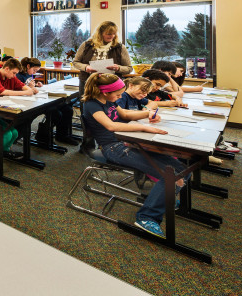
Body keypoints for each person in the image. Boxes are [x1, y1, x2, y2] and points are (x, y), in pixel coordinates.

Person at [81, 73, 188, 238]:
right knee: (170, 176)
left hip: (128, 141)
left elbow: (124, 114)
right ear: (104, 92)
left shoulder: (109, 101)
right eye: (117, 94)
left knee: (181, 169)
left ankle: (162, 198)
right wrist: (144, 128)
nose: (119, 97)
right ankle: (146, 217)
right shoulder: (91, 105)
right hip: (113, 147)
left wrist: (147, 114)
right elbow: (110, 126)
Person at [72, 21, 132, 152]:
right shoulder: (87, 45)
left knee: (109, 112)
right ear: (100, 33)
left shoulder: (119, 47)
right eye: (108, 34)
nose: (111, 36)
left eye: (114, 34)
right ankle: (87, 144)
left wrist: (118, 68)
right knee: (87, 113)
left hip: (111, 86)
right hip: (88, 83)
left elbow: (129, 68)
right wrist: (86, 67)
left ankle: (108, 141)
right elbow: (75, 62)